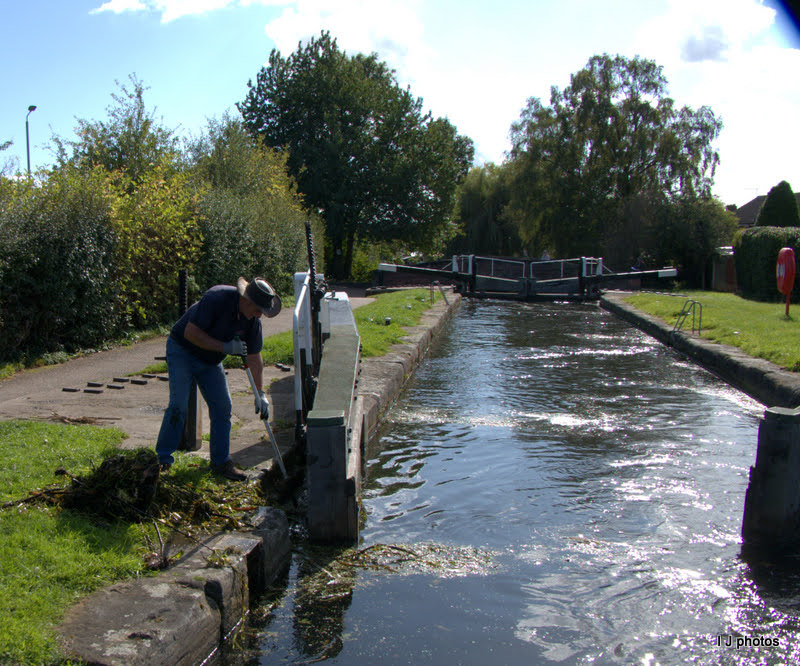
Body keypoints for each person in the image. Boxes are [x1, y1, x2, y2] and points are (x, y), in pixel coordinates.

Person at [156, 277, 282, 481]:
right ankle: (162, 460)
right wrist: (225, 347)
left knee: (223, 407)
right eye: (258, 309)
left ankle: (220, 463)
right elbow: (191, 332)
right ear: (246, 300)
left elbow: (254, 357)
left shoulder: (252, 322)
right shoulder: (217, 298)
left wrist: (260, 393)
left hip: (211, 361)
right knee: (178, 405)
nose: (260, 315)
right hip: (182, 351)